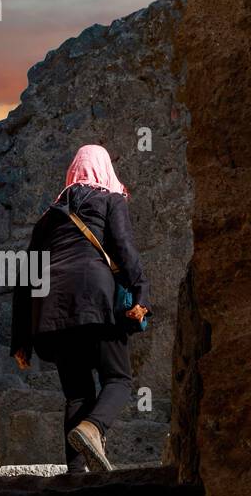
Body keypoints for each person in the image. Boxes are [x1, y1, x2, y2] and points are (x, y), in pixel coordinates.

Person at [10, 144, 150, 473]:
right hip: (97, 303)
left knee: (77, 393)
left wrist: (21, 339)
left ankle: (74, 477)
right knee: (118, 379)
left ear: (72, 172)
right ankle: (93, 428)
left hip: (54, 314)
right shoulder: (111, 199)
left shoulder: (47, 219)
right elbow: (124, 248)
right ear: (104, 171)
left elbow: (25, 278)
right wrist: (142, 293)